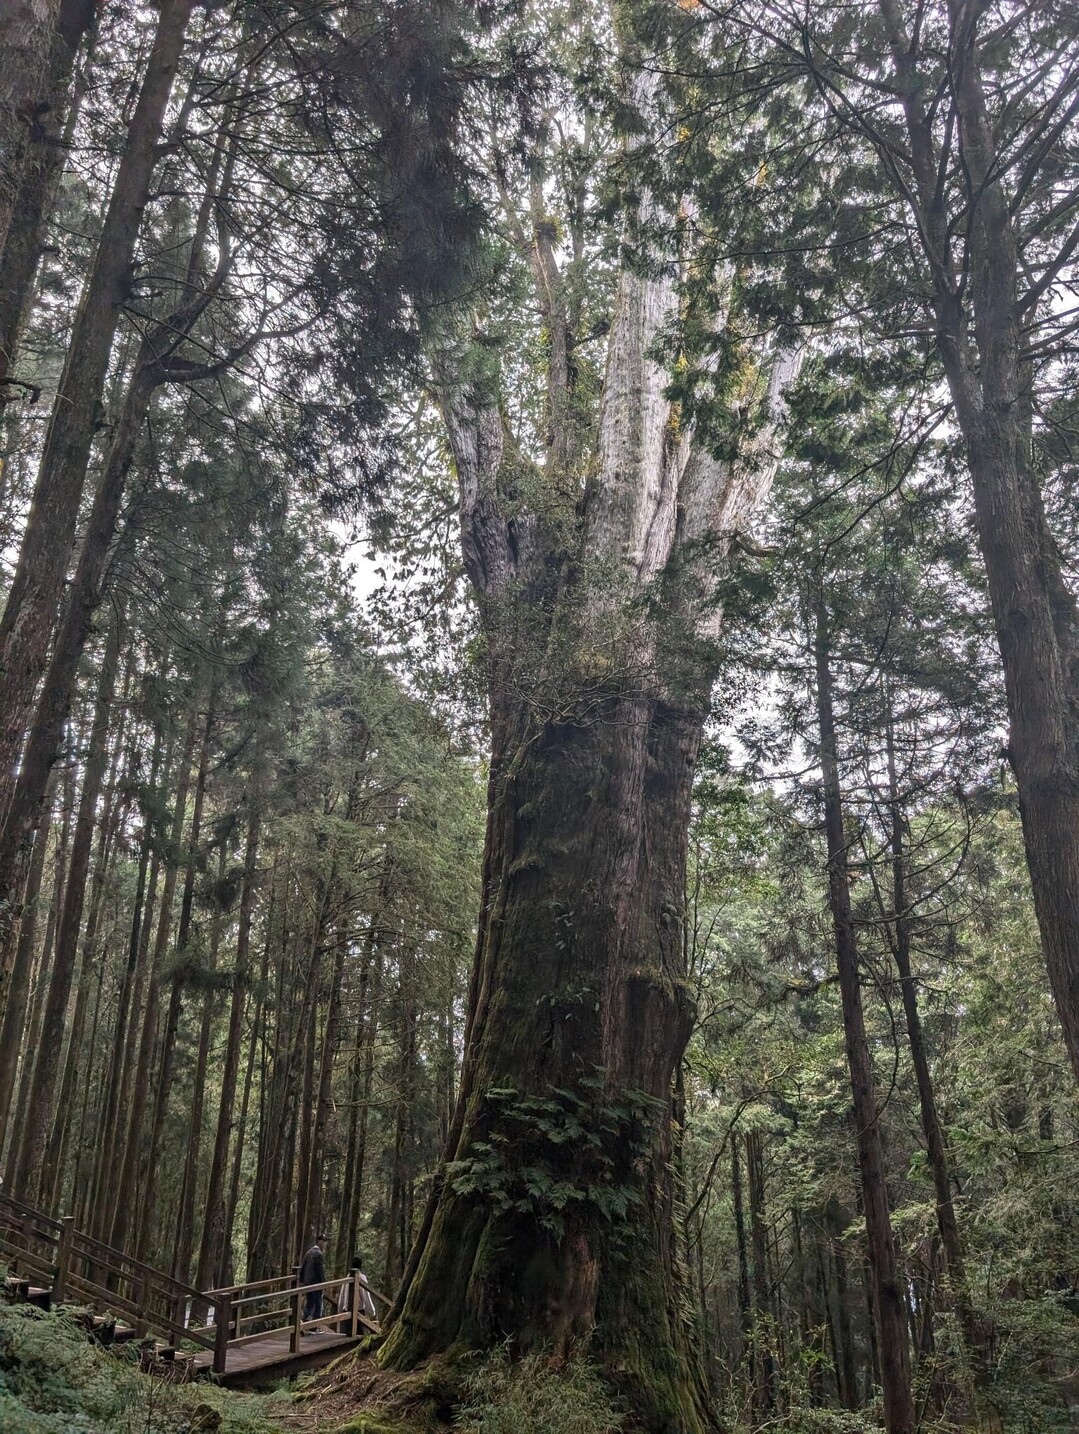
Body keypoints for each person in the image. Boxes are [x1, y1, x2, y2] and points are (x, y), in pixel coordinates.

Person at [336, 1252, 377, 1329]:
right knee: (358, 1333)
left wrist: (340, 1308)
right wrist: (372, 1311)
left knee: (347, 1332)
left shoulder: (348, 1277)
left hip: (346, 1310)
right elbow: (366, 1295)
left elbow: (342, 1294)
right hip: (358, 1311)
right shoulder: (361, 1277)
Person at [298, 1234, 327, 1331]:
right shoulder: (318, 1254)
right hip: (316, 1284)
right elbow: (320, 1271)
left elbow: (302, 1268)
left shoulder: (308, 1252)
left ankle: (304, 1322)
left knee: (310, 1303)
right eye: (323, 1241)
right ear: (319, 1241)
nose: (324, 1243)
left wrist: (302, 1280)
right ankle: (314, 1326)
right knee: (317, 1305)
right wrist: (323, 1283)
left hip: (308, 1284)